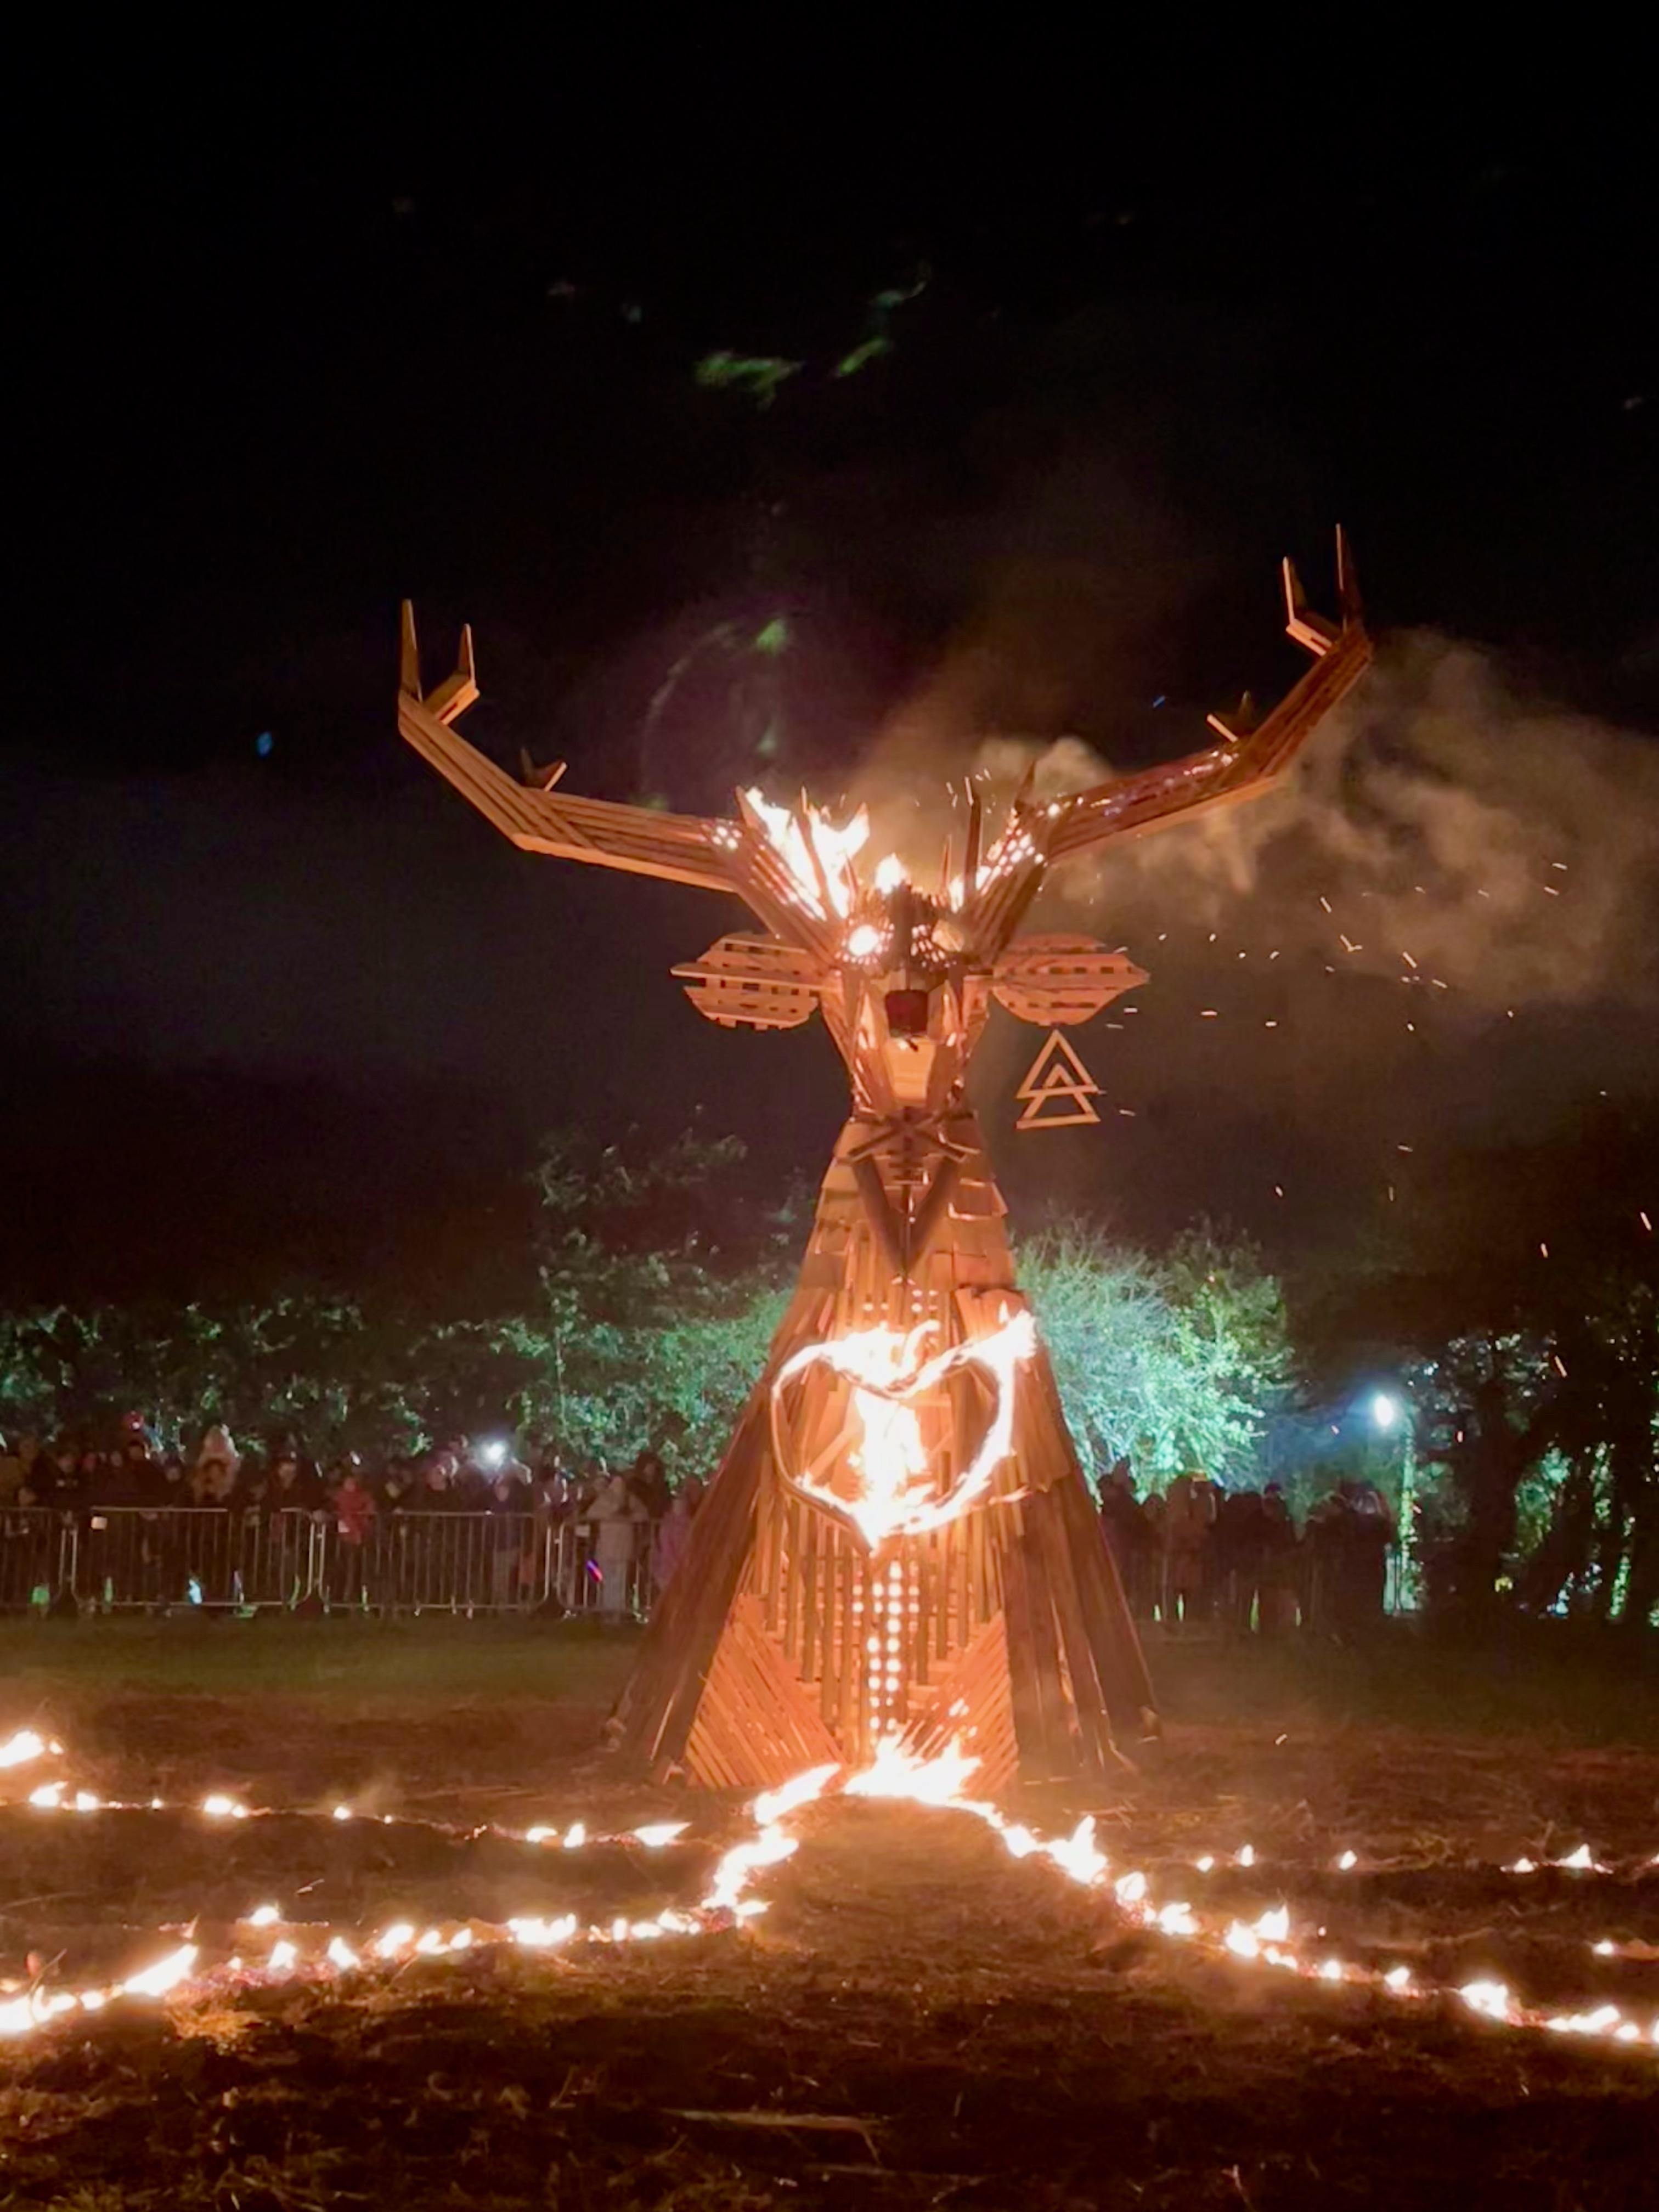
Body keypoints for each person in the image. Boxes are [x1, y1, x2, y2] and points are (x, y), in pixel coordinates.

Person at [587, 1467, 648, 1616]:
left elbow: (643, 1515)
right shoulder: (607, 1499)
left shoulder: (630, 1499)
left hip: (621, 1547)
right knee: (607, 1579)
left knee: (619, 1581)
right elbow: (592, 1513)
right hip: (608, 1546)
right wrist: (615, 1514)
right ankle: (608, 1611)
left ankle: (616, 1612)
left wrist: (626, 1516)